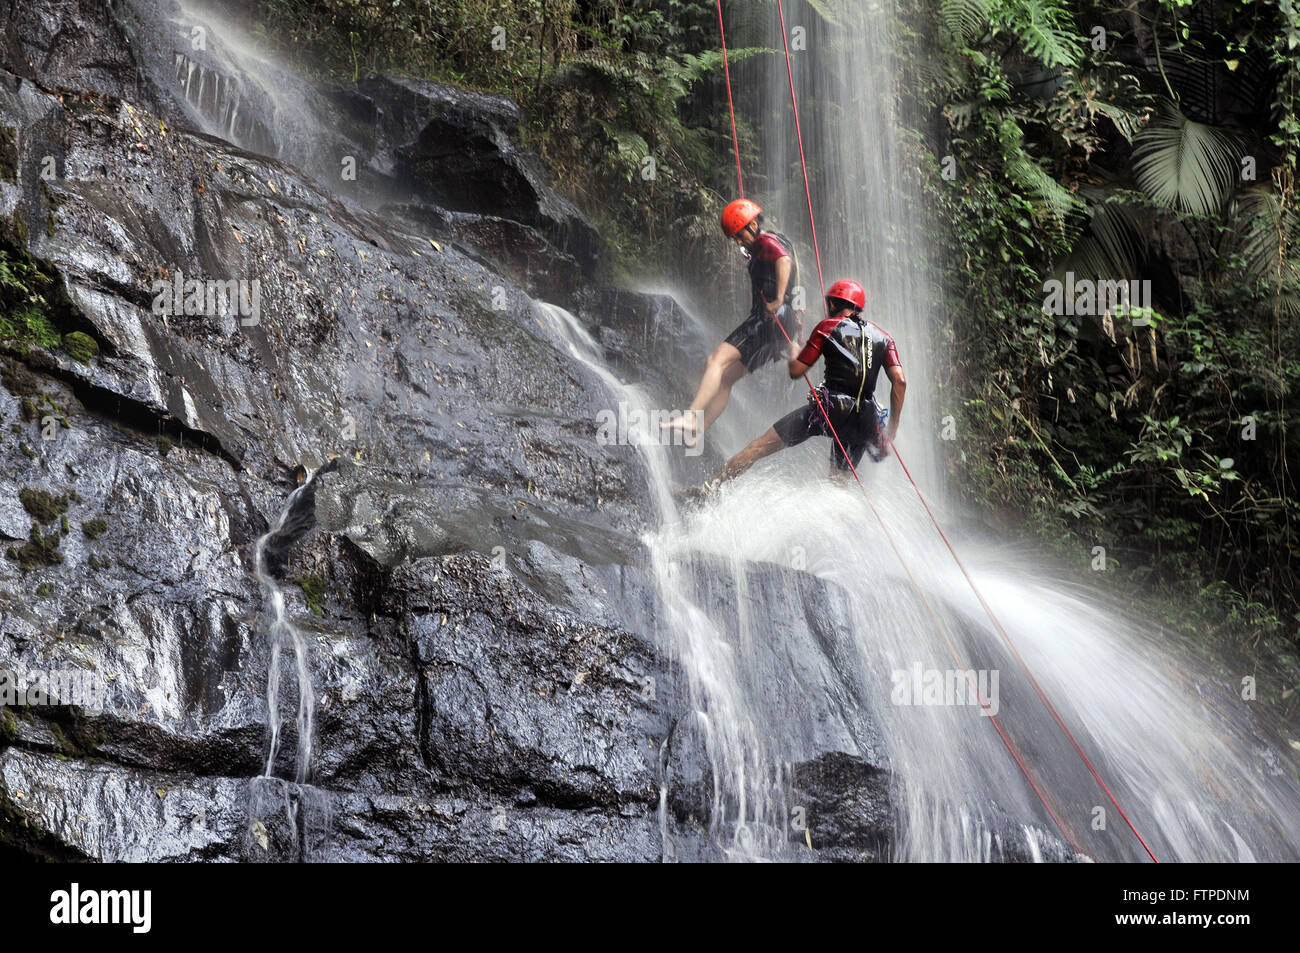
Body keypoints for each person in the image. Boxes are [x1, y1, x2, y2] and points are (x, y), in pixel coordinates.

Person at [691, 279, 906, 493]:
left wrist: (794, 351)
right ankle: (837, 522)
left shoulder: (828, 327)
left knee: (758, 447)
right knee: (838, 486)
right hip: (865, 420)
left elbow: (797, 371)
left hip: (830, 410)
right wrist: (892, 429)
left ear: (833, 304)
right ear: (857, 307)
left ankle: (708, 490)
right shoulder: (885, 338)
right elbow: (900, 381)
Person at [662, 198, 800, 443]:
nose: (738, 241)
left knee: (715, 360)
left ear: (752, 226)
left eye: (739, 235)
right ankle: (699, 428)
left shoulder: (766, 241)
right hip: (781, 324)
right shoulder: (774, 241)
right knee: (726, 379)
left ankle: (692, 417)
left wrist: (778, 299)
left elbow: (784, 261)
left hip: (769, 319)